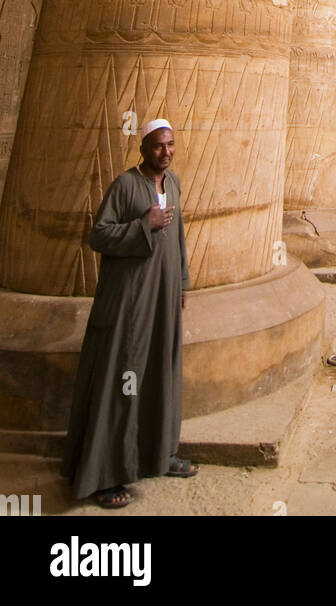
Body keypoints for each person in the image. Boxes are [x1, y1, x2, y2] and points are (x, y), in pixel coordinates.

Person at [61, 119, 198, 508]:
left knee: (160, 372)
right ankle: (106, 475)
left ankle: (159, 455)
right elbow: (99, 236)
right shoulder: (125, 185)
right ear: (143, 149)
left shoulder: (172, 184)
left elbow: (179, 237)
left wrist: (183, 282)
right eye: (158, 146)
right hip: (128, 303)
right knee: (124, 377)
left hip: (163, 298)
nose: (166, 152)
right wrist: (143, 225)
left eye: (170, 145)